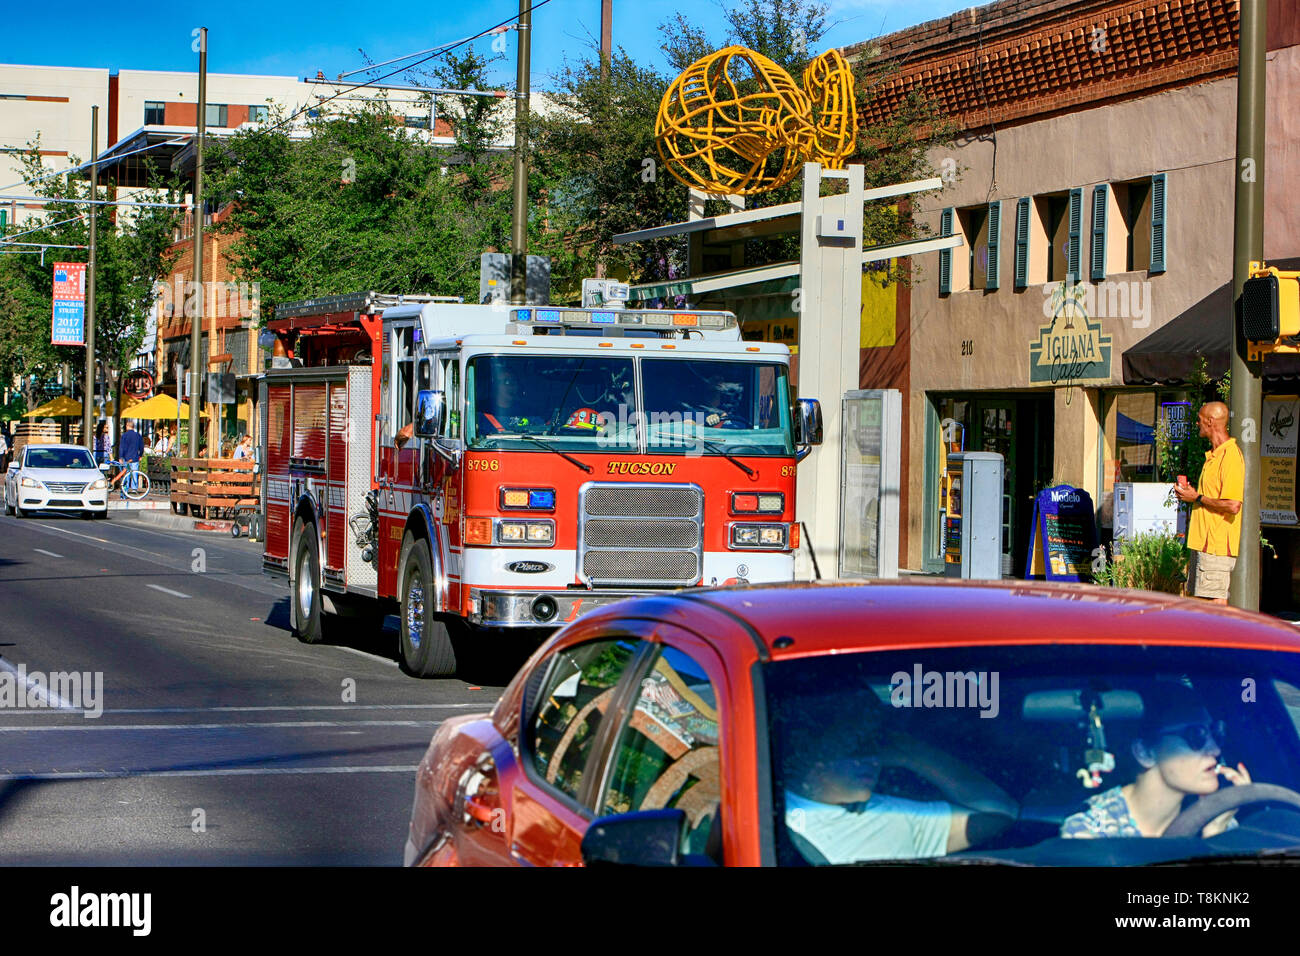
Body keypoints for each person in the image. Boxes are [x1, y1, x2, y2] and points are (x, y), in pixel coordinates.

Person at [781, 696, 1017, 863]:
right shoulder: (757, 807)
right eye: (856, 749)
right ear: (811, 752)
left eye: (878, 748)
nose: (872, 759)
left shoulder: (890, 815)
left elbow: (999, 814)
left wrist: (911, 754)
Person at [1061, 683, 1249, 839]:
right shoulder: (1090, 831)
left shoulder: (1217, 818)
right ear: (1144, 753)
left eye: (1216, 733)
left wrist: (1215, 833)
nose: (1215, 750)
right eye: (1196, 735)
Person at [1174, 401, 1245, 605]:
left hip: (1216, 545)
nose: (1197, 423)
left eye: (1199, 420)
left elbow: (1233, 505)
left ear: (1210, 422)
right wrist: (1191, 494)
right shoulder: (1214, 456)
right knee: (1201, 606)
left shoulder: (1230, 456)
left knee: (1215, 607)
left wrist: (1196, 497)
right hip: (1204, 544)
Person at [477, 369, 533, 435]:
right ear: (495, 386)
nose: (512, 386)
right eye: (506, 382)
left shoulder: (528, 413)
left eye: (514, 382)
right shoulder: (480, 412)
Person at [112, 420, 145, 496]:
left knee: (125, 472)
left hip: (126, 457)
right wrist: (140, 455)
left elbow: (122, 447)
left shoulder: (124, 435)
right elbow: (141, 447)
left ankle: (125, 487)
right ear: (133, 427)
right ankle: (134, 488)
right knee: (135, 473)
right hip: (135, 457)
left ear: (127, 426)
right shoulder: (138, 435)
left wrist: (120, 457)